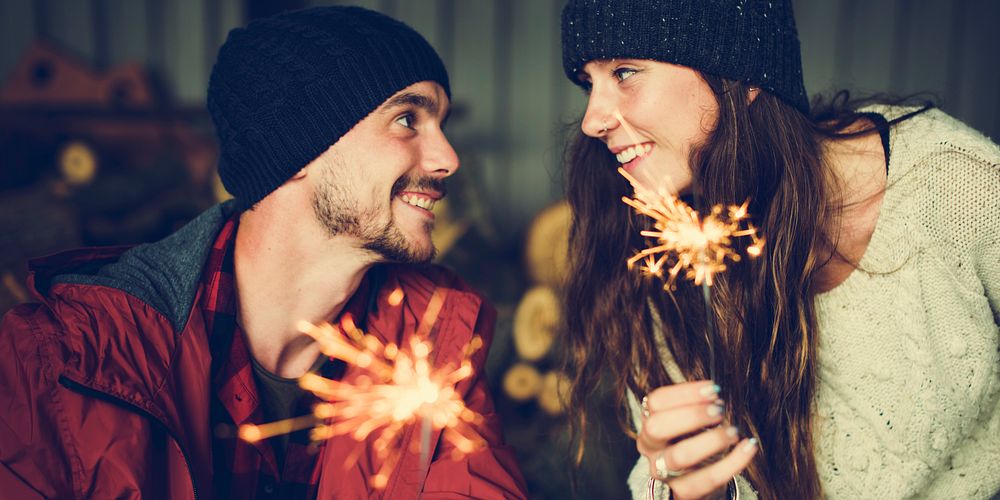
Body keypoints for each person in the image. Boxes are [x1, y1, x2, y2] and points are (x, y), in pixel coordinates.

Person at [0, 6, 527, 499]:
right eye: (408, 119)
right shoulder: (64, 359)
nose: (448, 158)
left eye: (442, 125)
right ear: (299, 149)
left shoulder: (436, 341)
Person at [559, 0, 1000, 498]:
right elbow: (662, 474)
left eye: (624, 71)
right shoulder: (656, 245)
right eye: (588, 83)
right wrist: (685, 487)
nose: (593, 120)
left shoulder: (953, 182)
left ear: (745, 76)